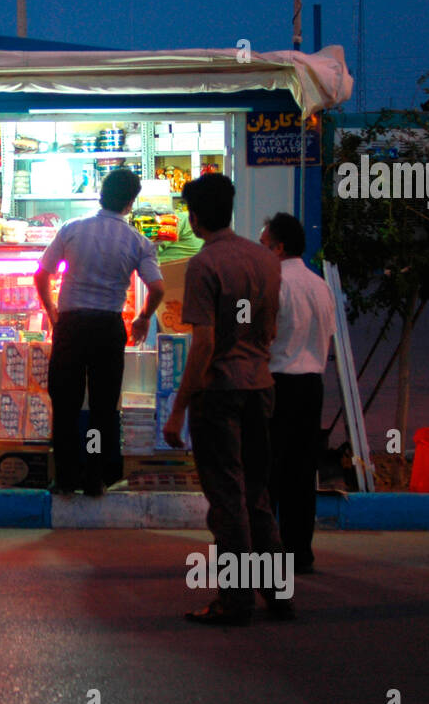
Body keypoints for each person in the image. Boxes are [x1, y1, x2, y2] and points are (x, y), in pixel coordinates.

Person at [161, 174, 294, 625]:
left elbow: (203, 344)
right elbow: (270, 327)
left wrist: (177, 409)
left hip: (220, 393)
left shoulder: (204, 265)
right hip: (261, 387)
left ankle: (234, 602)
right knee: (258, 494)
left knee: (227, 500)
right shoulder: (266, 260)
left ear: (194, 217)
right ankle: (277, 593)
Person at [34, 169, 166, 497]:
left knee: (65, 405)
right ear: (131, 202)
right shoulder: (139, 241)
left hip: (72, 326)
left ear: (100, 193)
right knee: (102, 409)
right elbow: (158, 287)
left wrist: (53, 312)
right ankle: (95, 476)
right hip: (108, 329)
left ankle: (65, 477)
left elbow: (42, 274)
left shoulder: (72, 229)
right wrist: (144, 317)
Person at [260, 213, 335, 574]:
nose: (260, 251)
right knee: (302, 472)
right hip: (312, 385)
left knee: (268, 470)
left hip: (278, 383)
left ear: (279, 247)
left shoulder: (274, 282)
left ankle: (265, 553)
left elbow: (265, 334)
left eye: (263, 245)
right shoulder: (320, 285)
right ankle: (299, 553)